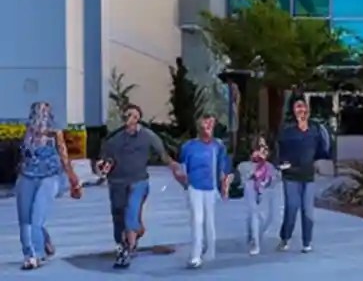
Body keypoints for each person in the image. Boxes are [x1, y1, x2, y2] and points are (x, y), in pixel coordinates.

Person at [97, 104, 186, 269]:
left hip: (138, 182)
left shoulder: (148, 136)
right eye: (126, 114)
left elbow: (163, 155)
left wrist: (174, 167)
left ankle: (127, 250)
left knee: (131, 213)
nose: (129, 118)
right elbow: (103, 160)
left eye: (133, 115)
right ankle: (131, 235)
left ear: (138, 118)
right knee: (119, 218)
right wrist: (102, 167)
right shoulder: (113, 139)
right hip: (116, 183)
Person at [14, 102, 82, 270]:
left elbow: (64, 157)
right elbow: (24, 156)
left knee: (37, 217)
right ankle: (31, 251)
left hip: (49, 177)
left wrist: (74, 180)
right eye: (37, 112)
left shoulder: (54, 134)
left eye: (44, 113)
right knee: (25, 219)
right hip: (27, 176)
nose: (40, 116)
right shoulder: (27, 131)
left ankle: (36, 255)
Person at [275, 97, 329, 253]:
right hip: (291, 176)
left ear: (307, 109)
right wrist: (281, 164)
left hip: (308, 176)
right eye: (297, 107)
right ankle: (285, 238)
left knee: (308, 210)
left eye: (303, 107)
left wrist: (318, 161)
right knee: (291, 208)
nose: (301, 110)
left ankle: (307, 241)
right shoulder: (287, 130)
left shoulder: (315, 129)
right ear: (293, 111)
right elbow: (278, 150)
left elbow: (322, 148)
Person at [177, 114, 231, 269]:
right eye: (205, 124)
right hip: (195, 186)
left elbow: (222, 167)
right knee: (197, 220)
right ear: (199, 127)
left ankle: (210, 250)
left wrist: (224, 187)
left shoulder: (218, 146)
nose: (208, 127)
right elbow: (183, 167)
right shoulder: (189, 146)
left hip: (211, 187)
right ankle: (195, 255)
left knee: (210, 221)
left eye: (211, 124)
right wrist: (185, 183)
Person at [243, 136, 277, 256]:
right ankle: (255, 243)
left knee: (268, 217)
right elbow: (245, 176)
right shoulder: (247, 165)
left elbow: (273, 180)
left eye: (265, 146)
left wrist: (269, 179)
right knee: (254, 214)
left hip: (265, 189)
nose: (262, 149)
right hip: (251, 186)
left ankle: (254, 234)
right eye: (259, 146)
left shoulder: (270, 166)